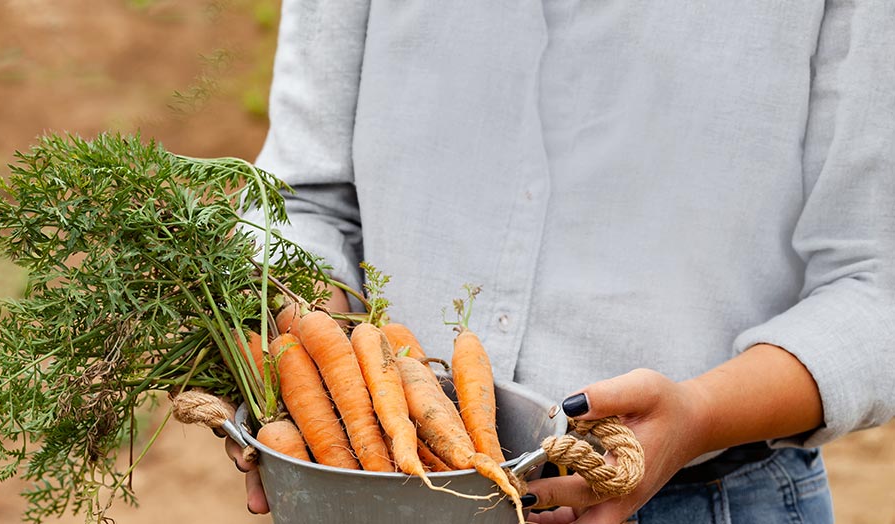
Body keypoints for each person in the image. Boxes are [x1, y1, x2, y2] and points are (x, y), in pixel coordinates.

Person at [227, 2, 895, 522]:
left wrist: (699, 413)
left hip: (704, 502)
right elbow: (301, 199)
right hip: (389, 493)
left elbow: (875, 288)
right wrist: (305, 361)